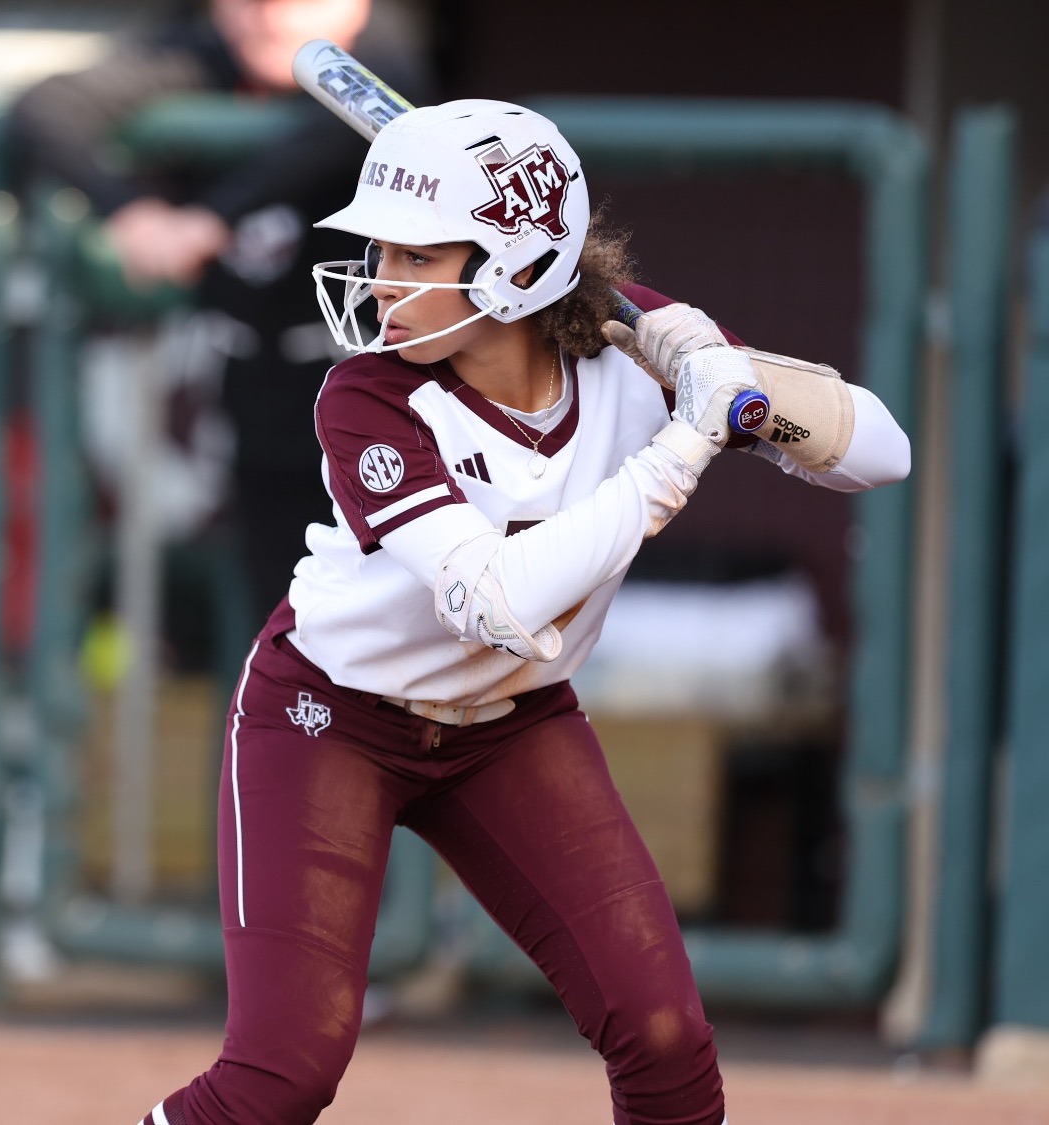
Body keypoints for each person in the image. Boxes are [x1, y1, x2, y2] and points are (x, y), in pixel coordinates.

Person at [137, 100, 911, 1125]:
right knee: (284, 1071)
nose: (381, 282)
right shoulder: (365, 396)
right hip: (328, 716)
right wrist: (679, 451)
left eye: (416, 256)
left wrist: (735, 379)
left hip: (510, 725)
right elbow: (494, 599)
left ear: (515, 268)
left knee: (664, 1038)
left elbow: (882, 453)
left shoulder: (635, 351)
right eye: (381, 252)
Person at [10, 0, 436, 622]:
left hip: (391, 382)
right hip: (250, 376)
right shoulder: (203, 57)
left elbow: (379, 113)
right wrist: (131, 210)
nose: (272, 15)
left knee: (400, 604)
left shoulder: (382, 59)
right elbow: (44, 106)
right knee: (282, 606)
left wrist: (213, 218)